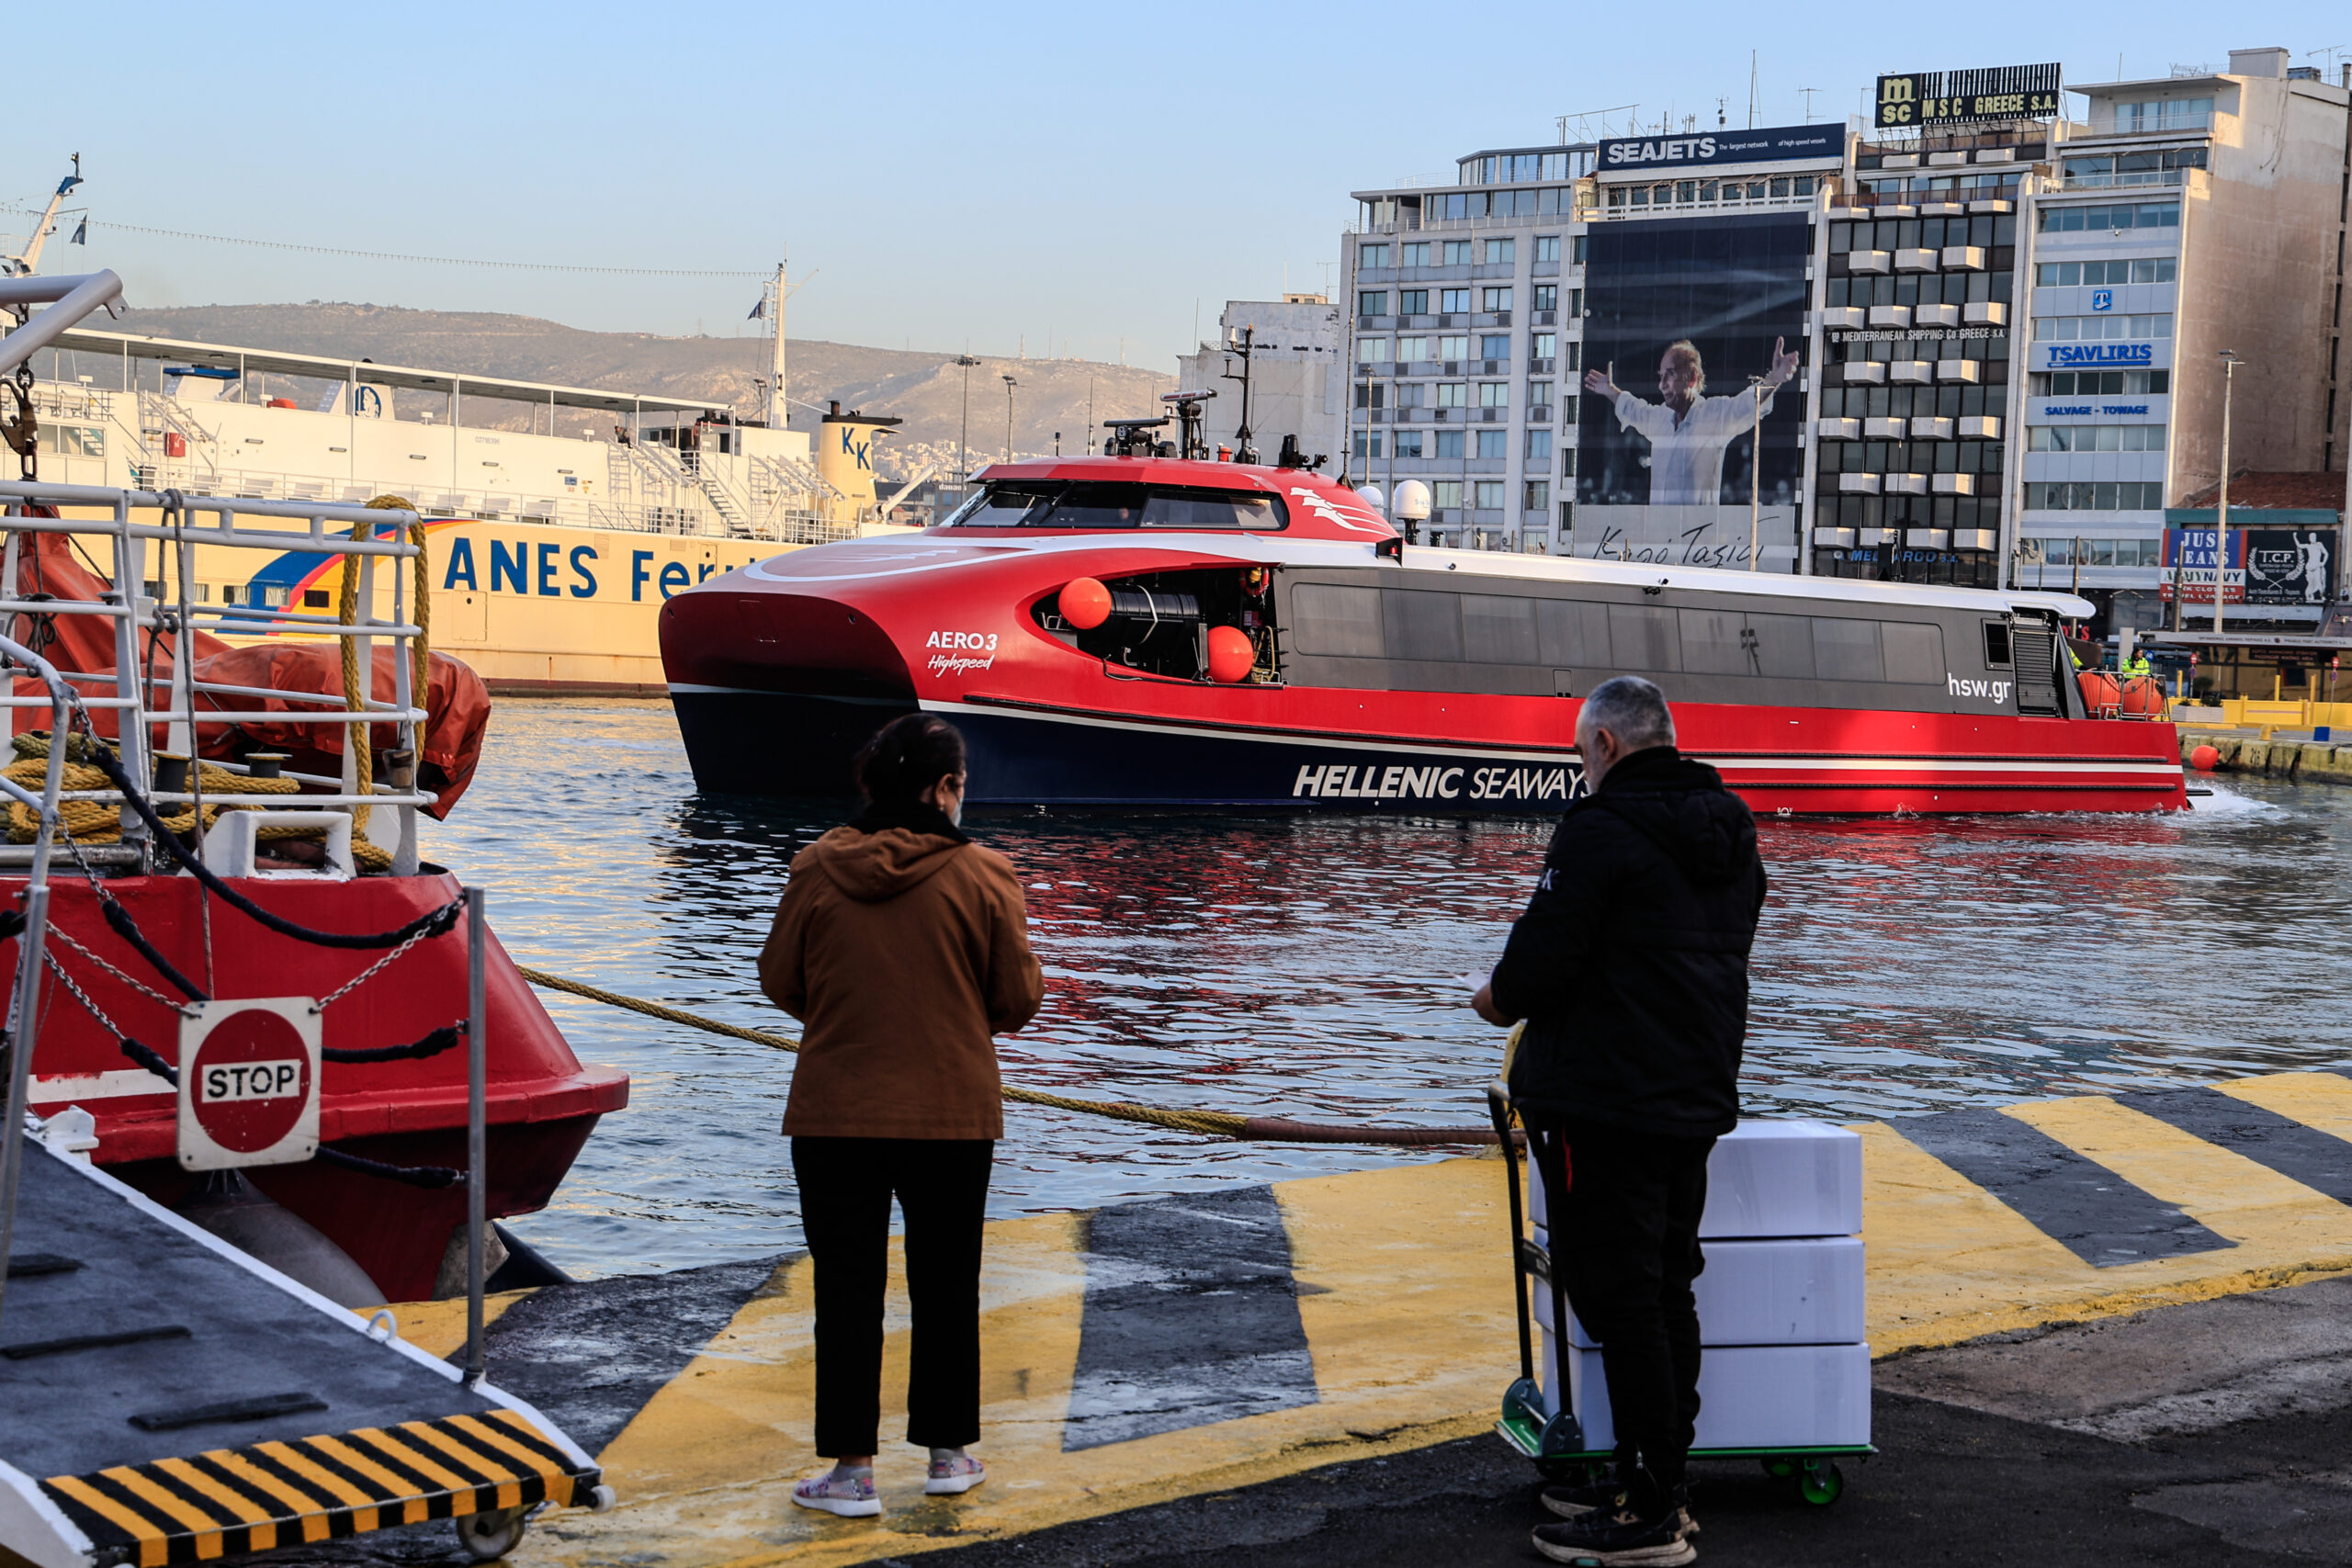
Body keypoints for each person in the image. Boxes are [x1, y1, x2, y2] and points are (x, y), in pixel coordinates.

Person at [1472, 677, 1766, 1567]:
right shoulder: (1730, 829)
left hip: (1604, 1101)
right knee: (1666, 1285)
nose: (1580, 768)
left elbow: (1535, 965)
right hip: (1693, 1092)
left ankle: (1648, 1513)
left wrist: (1491, 1000)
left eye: (1579, 754)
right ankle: (1660, 1481)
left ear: (1603, 745)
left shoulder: (1599, 831)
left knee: (1615, 1291)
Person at [758, 715, 1044, 1517]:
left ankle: (851, 1472)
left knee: (847, 1290)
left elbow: (779, 979)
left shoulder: (816, 866)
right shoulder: (987, 874)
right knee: (946, 1283)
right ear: (945, 787)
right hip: (951, 1113)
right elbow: (1017, 1001)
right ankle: (949, 1454)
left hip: (834, 1113)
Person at [1583, 338, 1799, 505]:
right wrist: (1609, 390)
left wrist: (1774, 379)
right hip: (1658, 543)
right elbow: (1632, 408)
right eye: (1660, 376)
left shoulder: (1714, 415)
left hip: (1697, 544)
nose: (1662, 385)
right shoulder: (1659, 418)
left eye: (1669, 375)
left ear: (1692, 377)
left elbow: (1747, 403)